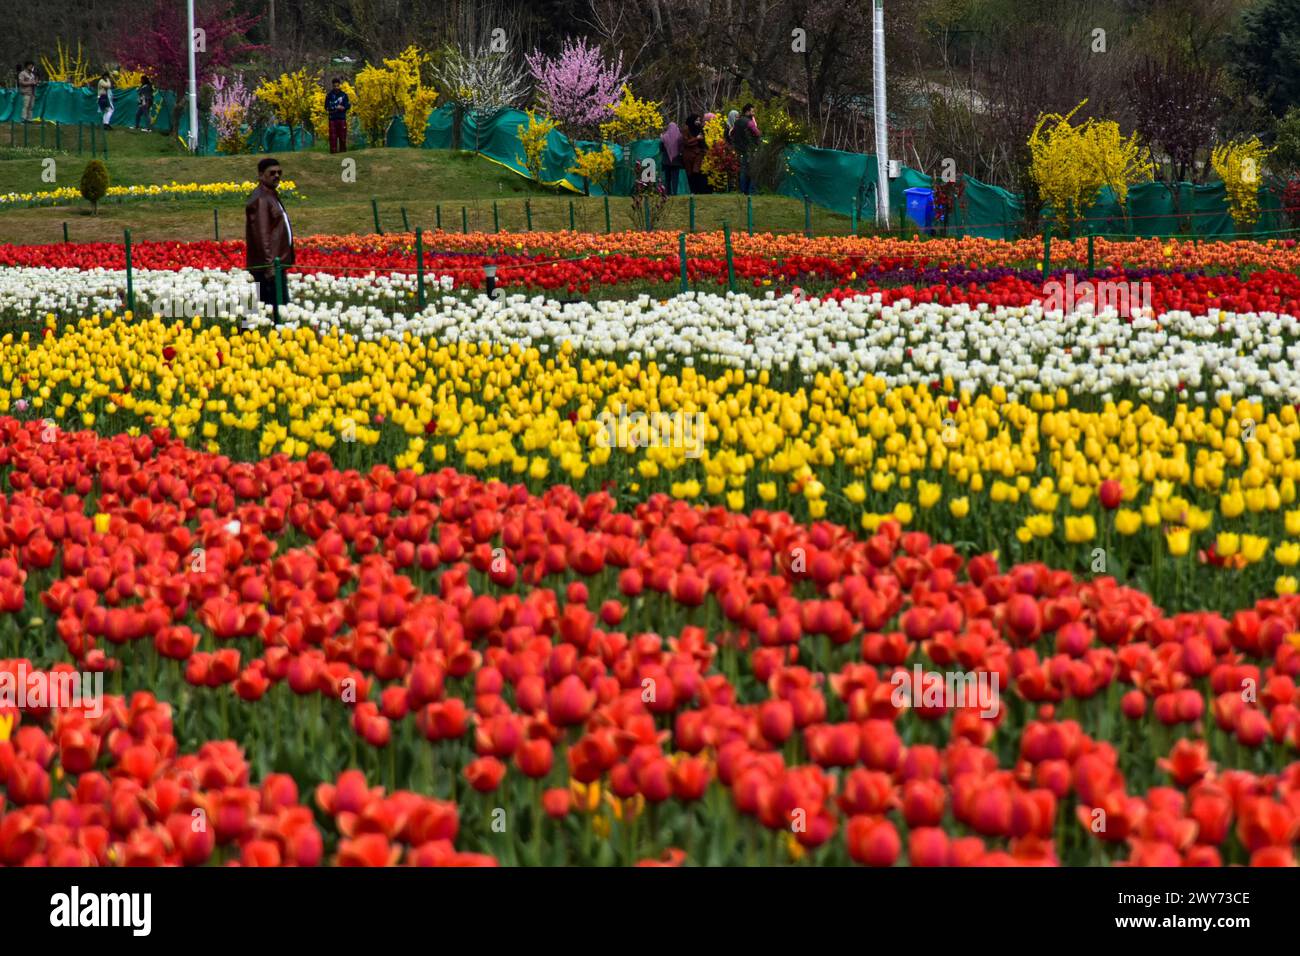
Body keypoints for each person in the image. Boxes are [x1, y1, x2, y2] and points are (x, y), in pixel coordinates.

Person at [246, 158, 295, 325]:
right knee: (269, 310)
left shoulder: (270, 195)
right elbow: (262, 234)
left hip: (276, 263)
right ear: (261, 175)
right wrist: (269, 266)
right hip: (269, 266)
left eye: (279, 173)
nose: (277, 176)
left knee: (274, 309)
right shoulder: (260, 199)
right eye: (272, 173)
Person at [731, 103, 761, 195]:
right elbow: (757, 133)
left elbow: (732, 134)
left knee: (744, 170)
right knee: (753, 170)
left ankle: (743, 190)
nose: (754, 113)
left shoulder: (737, 122)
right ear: (747, 111)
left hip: (740, 149)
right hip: (749, 149)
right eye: (752, 111)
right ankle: (752, 191)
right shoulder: (749, 122)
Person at [680, 114, 708, 195]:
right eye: (696, 120)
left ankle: (698, 190)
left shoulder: (699, 129)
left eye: (699, 120)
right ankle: (693, 191)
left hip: (698, 154)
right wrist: (696, 138)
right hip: (688, 155)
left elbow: (703, 141)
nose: (698, 122)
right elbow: (686, 142)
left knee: (697, 172)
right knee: (690, 174)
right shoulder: (686, 129)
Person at [325, 78, 350, 153]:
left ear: (339, 85)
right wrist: (335, 107)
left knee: (342, 137)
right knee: (333, 137)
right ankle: (333, 152)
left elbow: (348, 105)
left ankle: (343, 152)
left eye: (337, 86)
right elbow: (326, 107)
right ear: (332, 86)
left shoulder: (344, 95)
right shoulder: (329, 95)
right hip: (332, 119)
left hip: (341, 118)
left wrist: (343, 107)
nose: (336, 87)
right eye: (334, 86)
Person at [660, 121, 683, 195]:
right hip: (676, 161)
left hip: (666, 161)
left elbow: (661, 149)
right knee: (675, 178)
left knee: (667, 179)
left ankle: (668, 193)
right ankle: (675, 193)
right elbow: (681, 148)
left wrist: (662, 140)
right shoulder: (679, 137)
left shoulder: (664, 137)